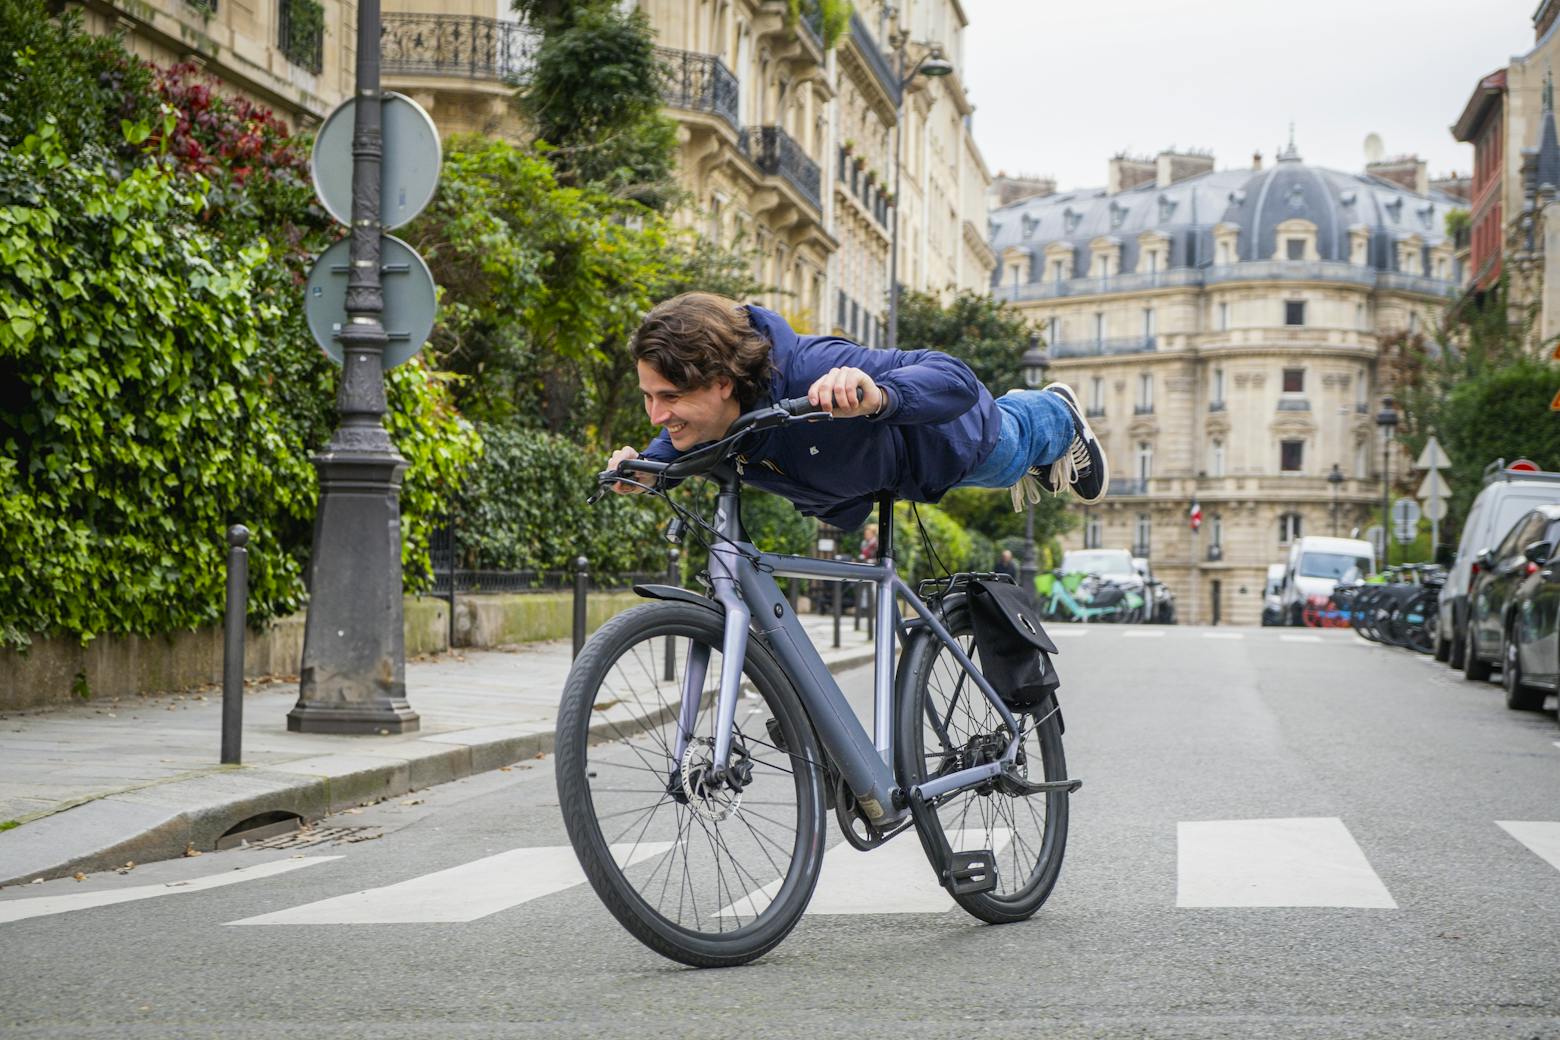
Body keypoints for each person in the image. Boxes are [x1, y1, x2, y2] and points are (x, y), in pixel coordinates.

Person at [606, 292, 1107, 529]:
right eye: (649, 396)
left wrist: (878, 395)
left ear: (722, 382)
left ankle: (1055, 412)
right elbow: (683, 436)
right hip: (870, 479)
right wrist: (649, 468)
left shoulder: (814, 368)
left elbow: (954, 376)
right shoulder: (712, 413)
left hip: (950, 440)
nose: (656, 415)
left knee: (1013, 450)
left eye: (669, 397)